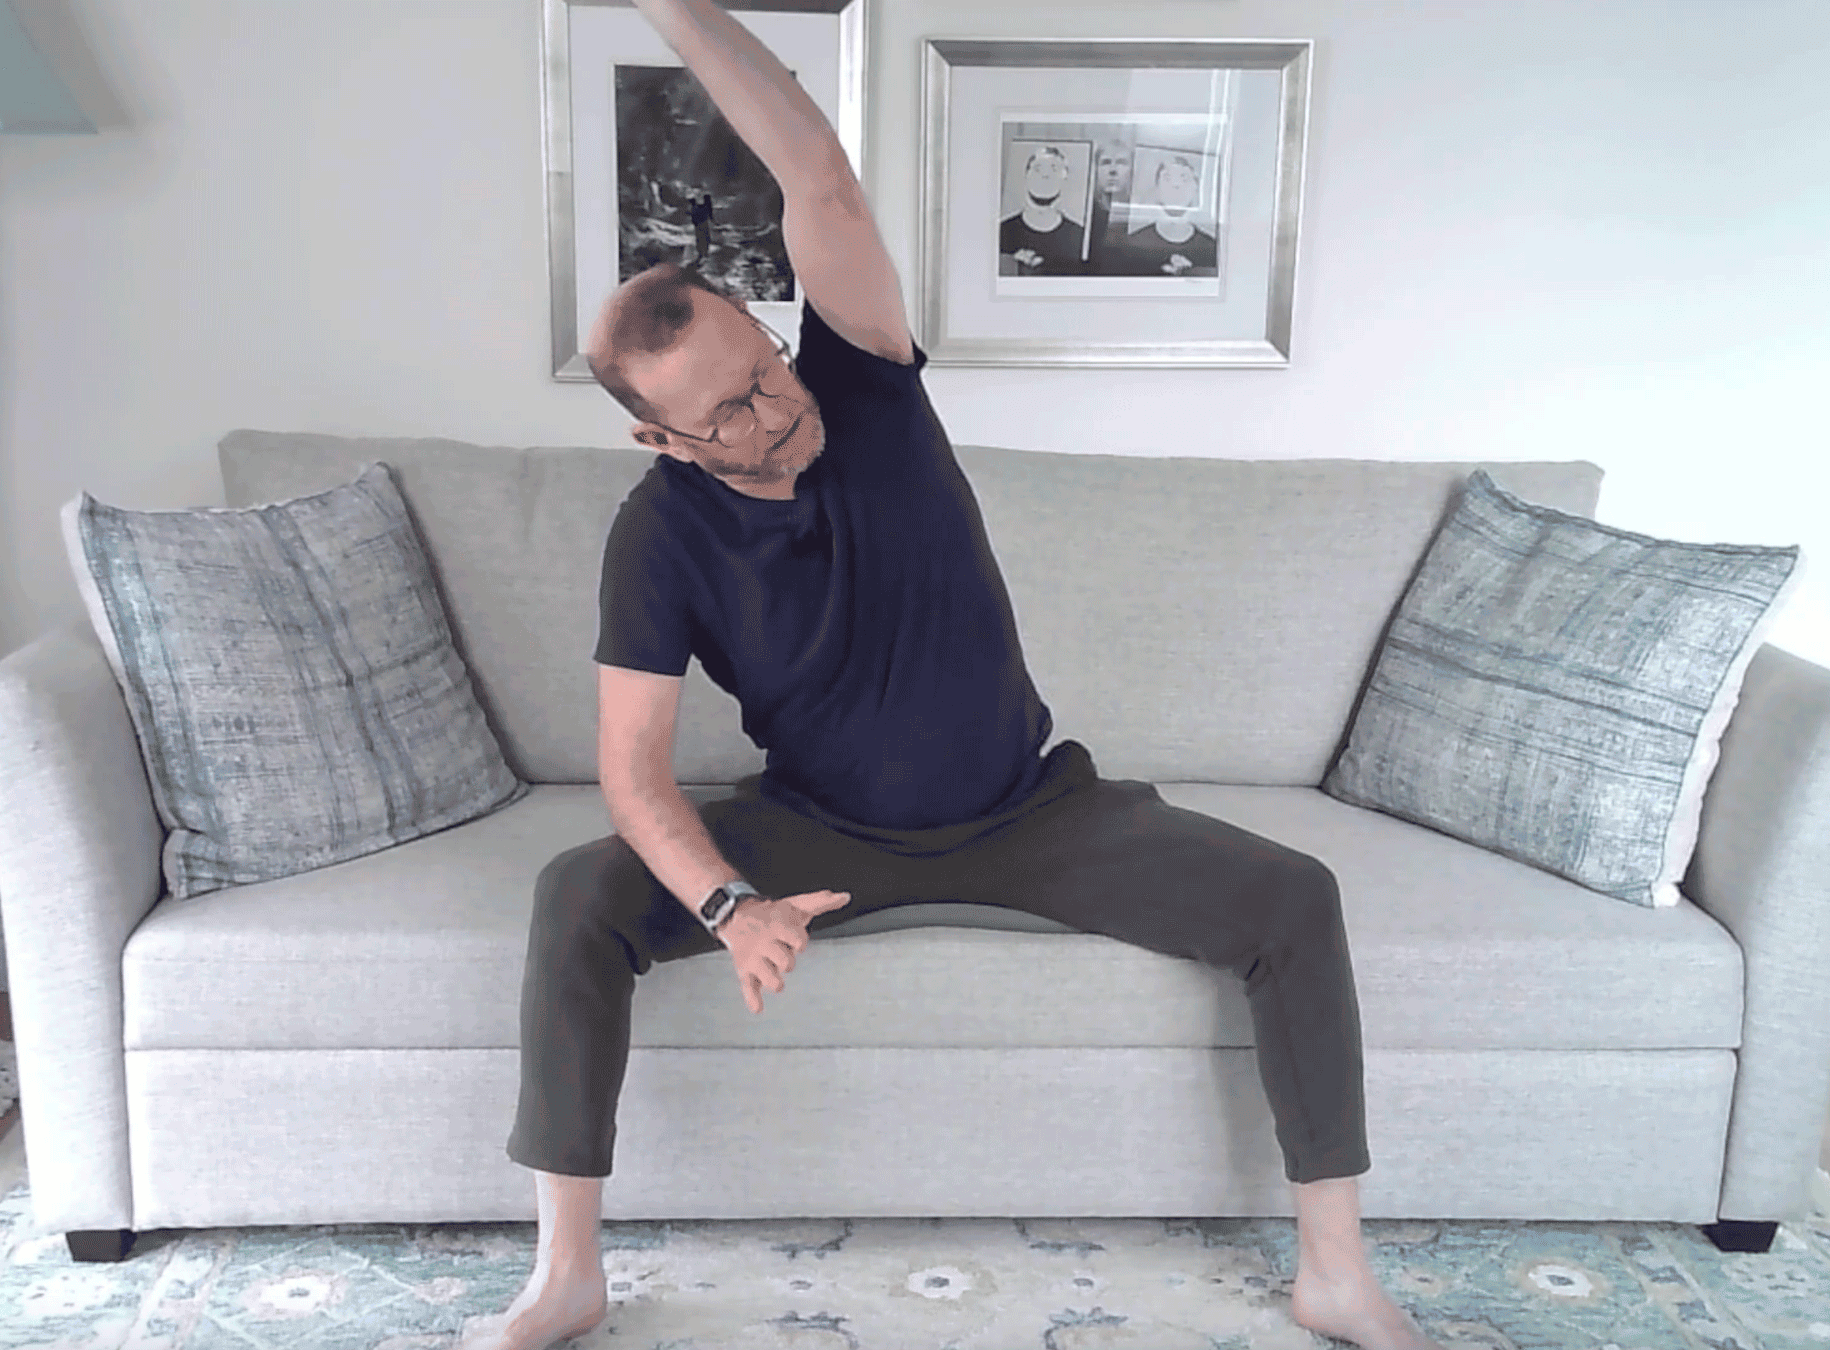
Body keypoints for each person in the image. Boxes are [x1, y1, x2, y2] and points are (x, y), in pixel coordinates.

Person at [470, 2, 1444, 1348]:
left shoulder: (860, 381)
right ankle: (567, 1271)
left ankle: (1334, 1270)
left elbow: (815, 166)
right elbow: (631, 771)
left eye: (761, 366)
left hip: (1031, 812)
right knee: (579, 891)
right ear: (663, 436)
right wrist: (732, 899)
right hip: (821, 832)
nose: (773, 406)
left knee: (1294, 894)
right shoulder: (660, 535)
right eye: (731, 409)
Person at [1107, 153, 1219, 277]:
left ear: (1196, 189)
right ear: (1157, 189)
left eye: (1184, 178)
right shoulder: (1133, 245)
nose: (1176, 185)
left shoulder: (1212, 250)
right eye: (1167, 178)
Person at [996, 145, 1085, 275]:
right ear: (1026, 175)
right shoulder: (1003, 231)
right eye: (1038, 169)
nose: (1045, 175)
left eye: (1054, 169)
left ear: (1065, 178)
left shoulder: (1079, 237)